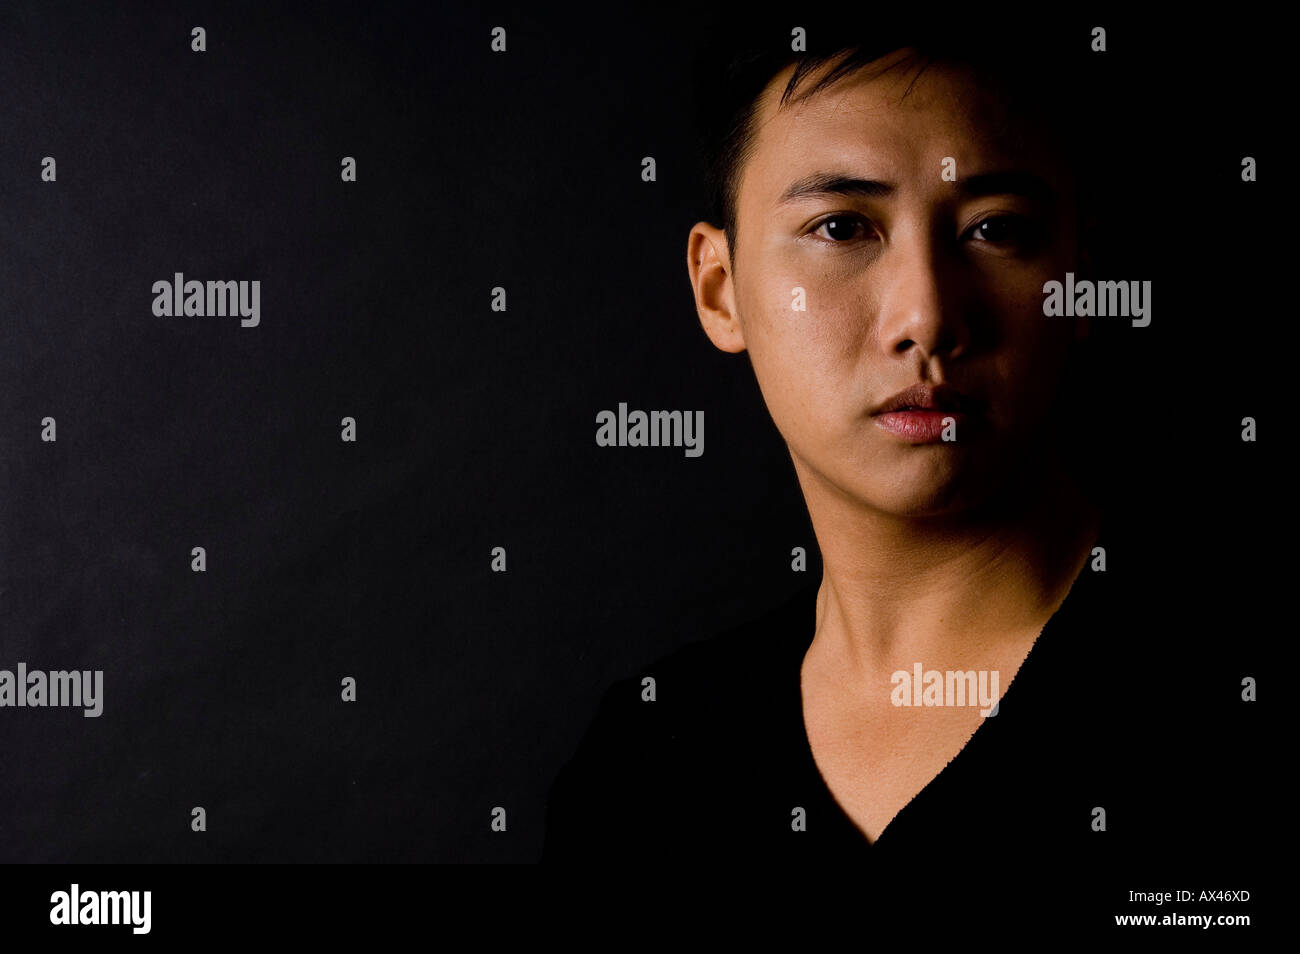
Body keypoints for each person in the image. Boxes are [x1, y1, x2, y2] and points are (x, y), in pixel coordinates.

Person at [543, 13, 1228, 888]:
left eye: (996, 228)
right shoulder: (645, 766)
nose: (928, 318)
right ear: (722, 291)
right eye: (841, 228)